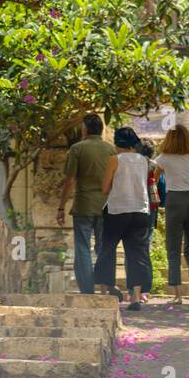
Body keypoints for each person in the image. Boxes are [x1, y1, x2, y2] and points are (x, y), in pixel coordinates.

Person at [93, 126, 153, 311]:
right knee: (137, 254)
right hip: (140, 210)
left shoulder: (115, 159)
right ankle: (135, 298)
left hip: (117, 210)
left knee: (107, 250)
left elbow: (105, 188)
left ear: (117, 143)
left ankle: (104, 293)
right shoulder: (144, 160)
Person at [56, 114, 115, 295]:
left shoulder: (77, 149)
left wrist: (61, 206)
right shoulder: (111, 150)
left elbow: (70, 180)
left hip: (83, 205)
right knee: (103, 247)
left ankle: (87, 289)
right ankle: (104, 287)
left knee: (82, 247)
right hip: (106, 205)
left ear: (85, 129)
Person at [153, 125, 189, 304]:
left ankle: (178, 295)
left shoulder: (164, 158)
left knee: (173, 249)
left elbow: (154, 175)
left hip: (174, 201)